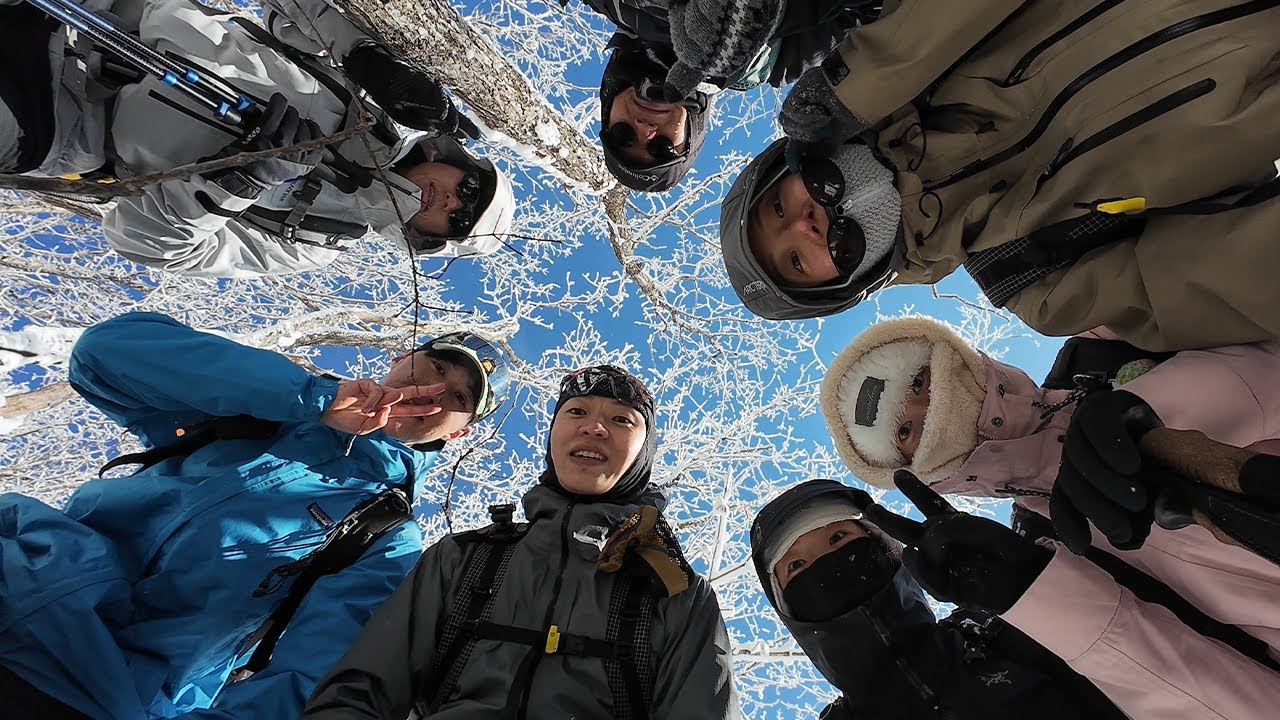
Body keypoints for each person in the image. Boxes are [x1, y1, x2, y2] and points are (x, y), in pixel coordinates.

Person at [0, 310, 514, 719]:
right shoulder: (265, 406)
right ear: (405, 356)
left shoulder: (386, 534)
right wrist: (314, 399)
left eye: (459, 397)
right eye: (439, 366)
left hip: (90, 686)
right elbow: (103, 355)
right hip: (18, 579)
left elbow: (314, 674)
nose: (433, 390)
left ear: (456, 433)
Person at [719, 0, 1280, 352]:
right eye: (796, 261)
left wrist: (865, 79)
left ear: (788, 165)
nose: (805, 224)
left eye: (777, 209)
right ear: (841, 285)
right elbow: (1232, 274)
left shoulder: (907, 65)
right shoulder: (1036, 278)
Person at [819, 315, 1280, 716]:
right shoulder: (1040, 548)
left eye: (918, 382)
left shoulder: (1098, 349)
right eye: (905, 431)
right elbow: (1199, 688)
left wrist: (1155, 410)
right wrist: (1034, 593)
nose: (929, 409)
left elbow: (1254, 325)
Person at [302, 364, 738, 719]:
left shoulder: (674, 593)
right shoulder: (461, 559)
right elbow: (358, 693)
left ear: (644, 453)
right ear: (552, 436)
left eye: (621, 419)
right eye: (576, 412)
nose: (595, 428)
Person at [0, 0, 516, 276]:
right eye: (469, 190)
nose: (451, 202)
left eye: (459, 221)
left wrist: (233, 183)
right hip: (100, 11)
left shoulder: (312, 241)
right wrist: (365, 56)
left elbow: (143, 245)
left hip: (57, 124)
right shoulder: (372, 102)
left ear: (431, 235)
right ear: (459, 162)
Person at [749, 478, 1125, 719]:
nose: (827, 564)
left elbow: (1132, 666)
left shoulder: (998, 630)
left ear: (886, 549)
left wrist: (1038, 584)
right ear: (788, 608)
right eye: (796, 564)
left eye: (838, 539)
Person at [582, 0, 879, 191]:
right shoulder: (772, 63)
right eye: (662, 148)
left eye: (623, 135)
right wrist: (767, 15)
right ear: (690, 135)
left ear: (607, 113)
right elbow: (867, 11)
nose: (645, 131)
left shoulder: (610, 5)